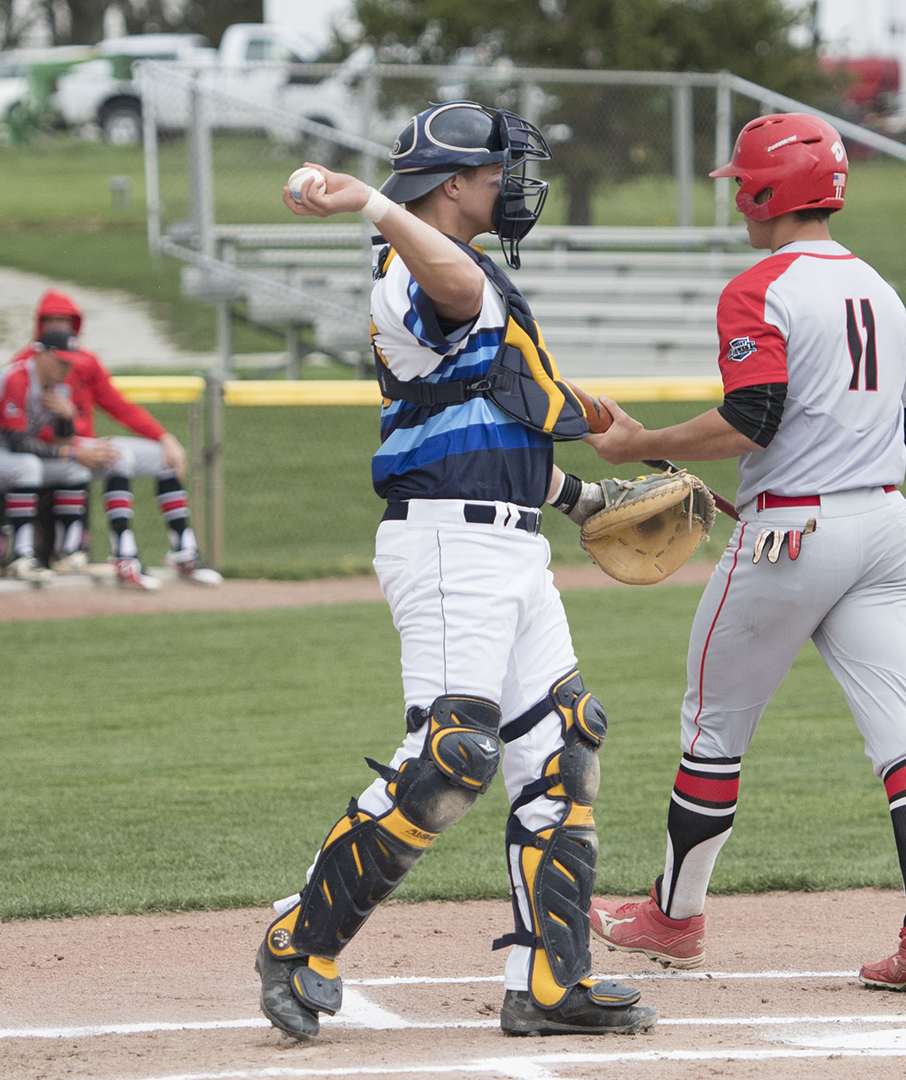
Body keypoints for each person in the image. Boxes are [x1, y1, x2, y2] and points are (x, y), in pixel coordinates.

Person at [254, 100, 656, 1042]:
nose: (509, 186)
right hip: (447, 544)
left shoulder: (473, 282)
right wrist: (373, 205)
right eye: (492, 172)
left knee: (562, 746)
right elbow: (451, 287)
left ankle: (550, 982)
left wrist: (579, 499)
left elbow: (486, 431)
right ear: (448, 187)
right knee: (452, 757)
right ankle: (298, 941)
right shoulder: (418, 265)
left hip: (510, 541)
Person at [582, 114, 906, 995]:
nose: (737, 200)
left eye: (742, 185)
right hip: (888, 527)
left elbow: (753, 417)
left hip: (792, 536)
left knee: (714, 730)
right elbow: (901, 421)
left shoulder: (760, 286)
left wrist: (644, 442)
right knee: (904, 735)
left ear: (765, 194)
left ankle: (673, 919)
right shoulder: (882, 289)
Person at [0, 326, 216, 590]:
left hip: (16, 455)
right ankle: (22, 557)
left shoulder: (58, 388)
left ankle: (74, 553)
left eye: (70, 363)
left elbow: (62, 440)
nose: (67, 369)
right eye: (61, 362)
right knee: (29, 466)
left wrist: (67, 419)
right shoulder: (16, 378)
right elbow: (17, 442)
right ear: (41, 354)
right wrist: (73, 451)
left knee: (83, 465)